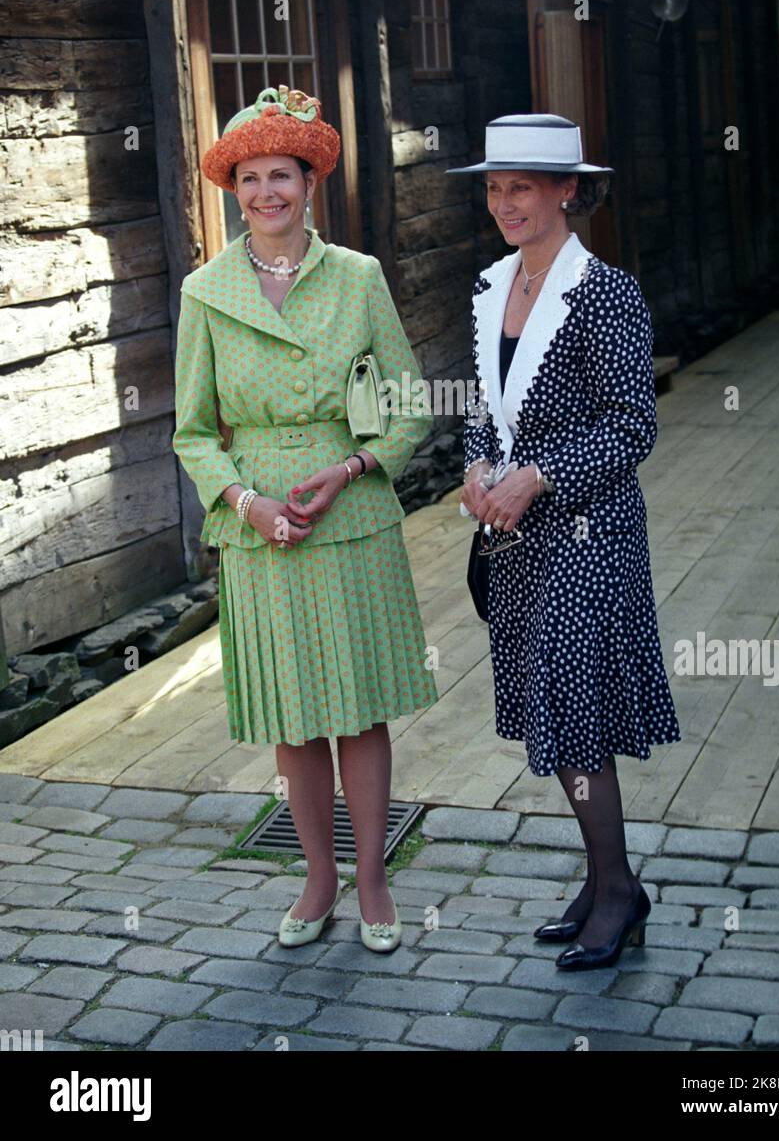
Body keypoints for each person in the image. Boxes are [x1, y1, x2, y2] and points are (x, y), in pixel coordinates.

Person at [172, 85, 438, 954]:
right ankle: (317, 879)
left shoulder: (357, 279)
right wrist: (246, 504)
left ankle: (371, 881)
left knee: (359, 710)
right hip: (257, 529)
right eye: (248, 179)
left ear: (308, 181)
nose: (264, 194)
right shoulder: (204, 292)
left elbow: (406, 407)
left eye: (279, 175)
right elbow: (191, 432)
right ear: (234, 190)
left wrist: (356, 465)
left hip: (350, 514)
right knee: (293, 716)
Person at [449, 114, 682, 972]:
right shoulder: (488, 286)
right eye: (494, 187)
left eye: (522, 187)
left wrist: (538, 475)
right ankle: (603, 878)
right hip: (513, 538)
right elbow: (486, 404)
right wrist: (478, 463)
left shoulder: (607, 293)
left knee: (578, 706)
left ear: (567, 191)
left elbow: (633, 427)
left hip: (588, 532)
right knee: (554, 706)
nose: (504, 203)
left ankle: (618, 889)